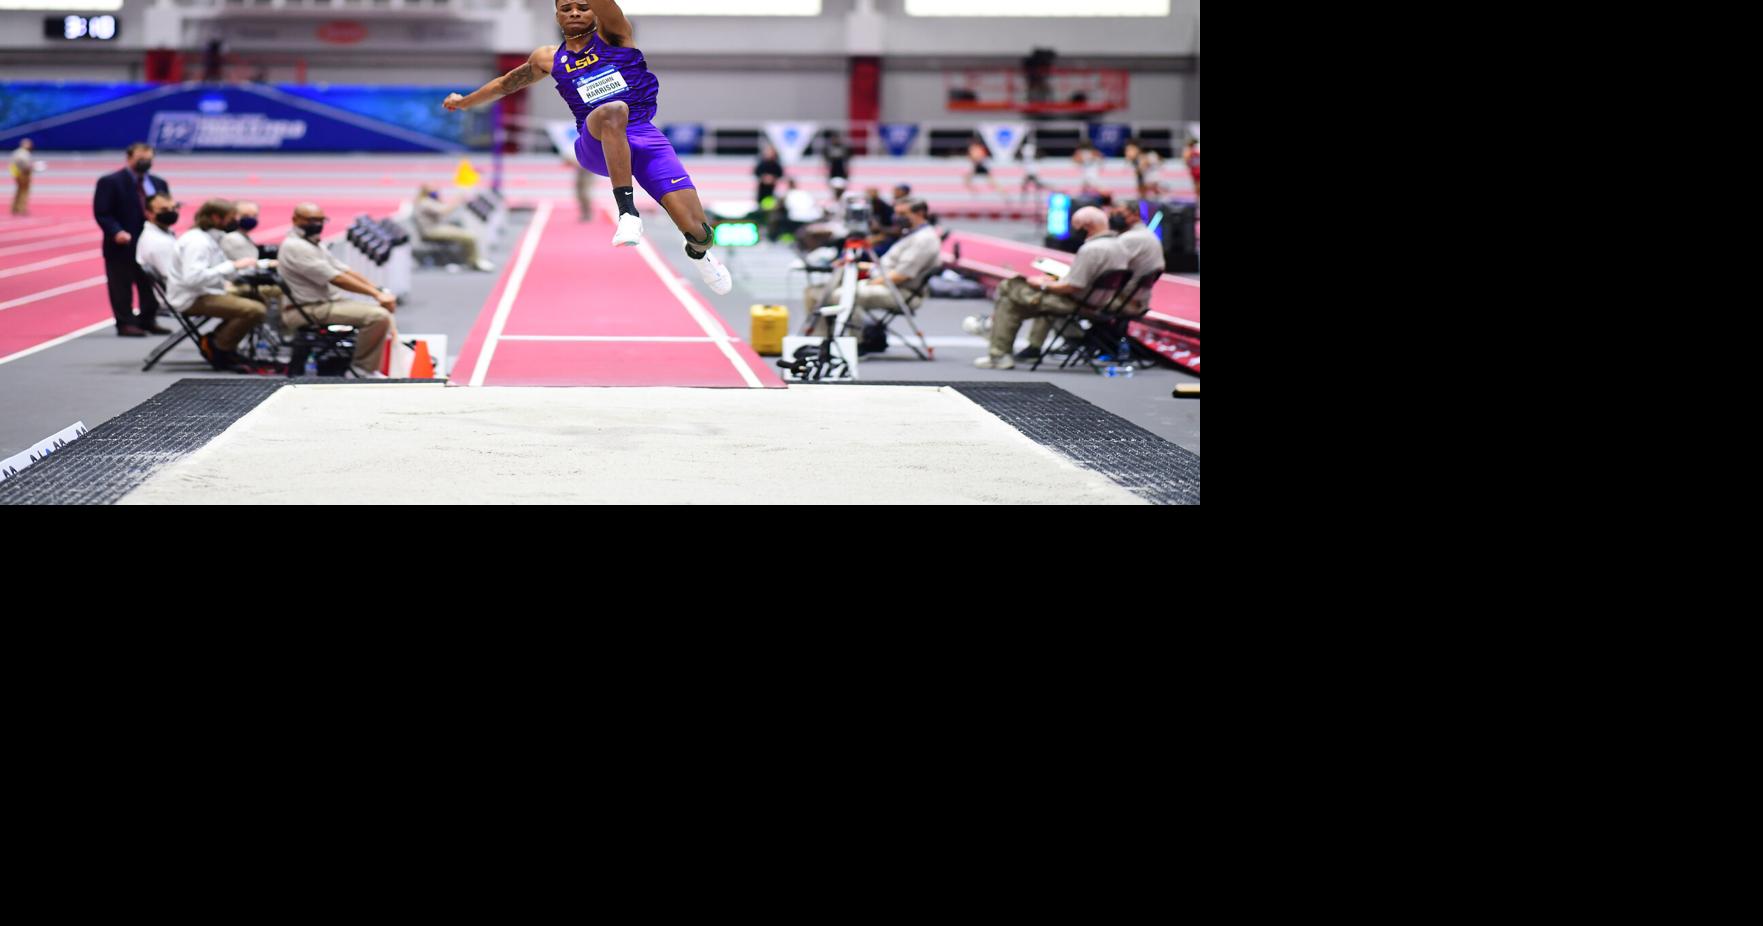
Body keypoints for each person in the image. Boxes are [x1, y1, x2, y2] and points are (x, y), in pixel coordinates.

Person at [442, 0, 732, 294]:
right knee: (613, 111)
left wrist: (698, 243)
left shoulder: (615, 35)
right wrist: (463, 102)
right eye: (566, 8)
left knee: (699, 229)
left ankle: (698, 252)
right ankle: (628, 213)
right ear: (556, 16)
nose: (575, 12)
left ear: (595, 11)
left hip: (645, 138)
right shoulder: (548, 58)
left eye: (582, 6)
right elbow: (505, 84)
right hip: (596, 141)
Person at [973, 206, 1126, 370]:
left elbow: (1073, 286)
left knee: (1010, 292)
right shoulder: (1120, 246)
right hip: (1099, 302)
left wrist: (1044, 284)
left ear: (1087, 226)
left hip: (1075, 303)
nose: (1075, 233)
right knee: (1011, 298)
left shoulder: (1091, 250)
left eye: (1076, 227)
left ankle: (998, 351)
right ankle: (1009, 346)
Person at [276, 202, 398, 378]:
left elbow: (344, 270)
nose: (317, 224)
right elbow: (336, 278)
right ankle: (361, 370)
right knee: (378, 317)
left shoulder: (313, 243)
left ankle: (367, 366)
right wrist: (376, 294)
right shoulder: (296, 247)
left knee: (378, 311)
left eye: (320, 220)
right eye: (311, 220)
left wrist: (377, 289)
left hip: (325, 303)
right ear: (295, 220)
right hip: (306, 309)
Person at [802, 198, 941, 339]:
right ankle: (820, 339)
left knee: (843, 295)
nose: (897, 218)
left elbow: (901, 275)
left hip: (901, 291)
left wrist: (869, 282)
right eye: (897, 213)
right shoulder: (911, 234)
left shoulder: (924, 239)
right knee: (814, 292)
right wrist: (861, 266)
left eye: (903, 213)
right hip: (885, 282)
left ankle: (854, 343)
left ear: (920, 213)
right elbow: (889, 267)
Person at [169, 198, 270, 372]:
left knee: (257, 297)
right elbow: (193, 278)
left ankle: (220, 342)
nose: (235, 222)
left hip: (208, 290)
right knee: (255, 310)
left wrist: (251, 267)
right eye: (231, 218)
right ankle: (220, 348)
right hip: (192, 297)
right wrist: (232, 266)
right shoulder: (197, 242)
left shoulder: (213, 238)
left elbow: (225, 268)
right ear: (216, 218)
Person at [93, 143, 172, 337]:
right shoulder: (110, 182)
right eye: (140, 157)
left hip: (150, 244)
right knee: (121, 286)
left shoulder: (158, 183)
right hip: (122, 244)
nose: (145, 161)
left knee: (150, 284)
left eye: (149, 157)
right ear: (129, 158)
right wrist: (116, 231)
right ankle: (125, 322)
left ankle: (148, 319)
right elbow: (102, 212)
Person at [413, 183, 494, 271]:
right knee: (469, 237)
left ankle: (470, 259)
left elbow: (442, 211)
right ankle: (474, 262)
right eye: (434, 191)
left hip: (438, 228)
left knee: (466, 234)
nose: (436, 192)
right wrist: (457, 200)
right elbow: (444, 211)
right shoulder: (425, 202)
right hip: (432, 231)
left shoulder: (428, 201)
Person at [10, 138, 36, 217]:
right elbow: (25, 165)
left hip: (17, 174)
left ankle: (15, 208)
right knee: (24, 192)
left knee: (18, 191)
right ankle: (21, 208)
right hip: (23, 174)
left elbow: (12, 164)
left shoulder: (16, 152)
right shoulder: (24, 154)